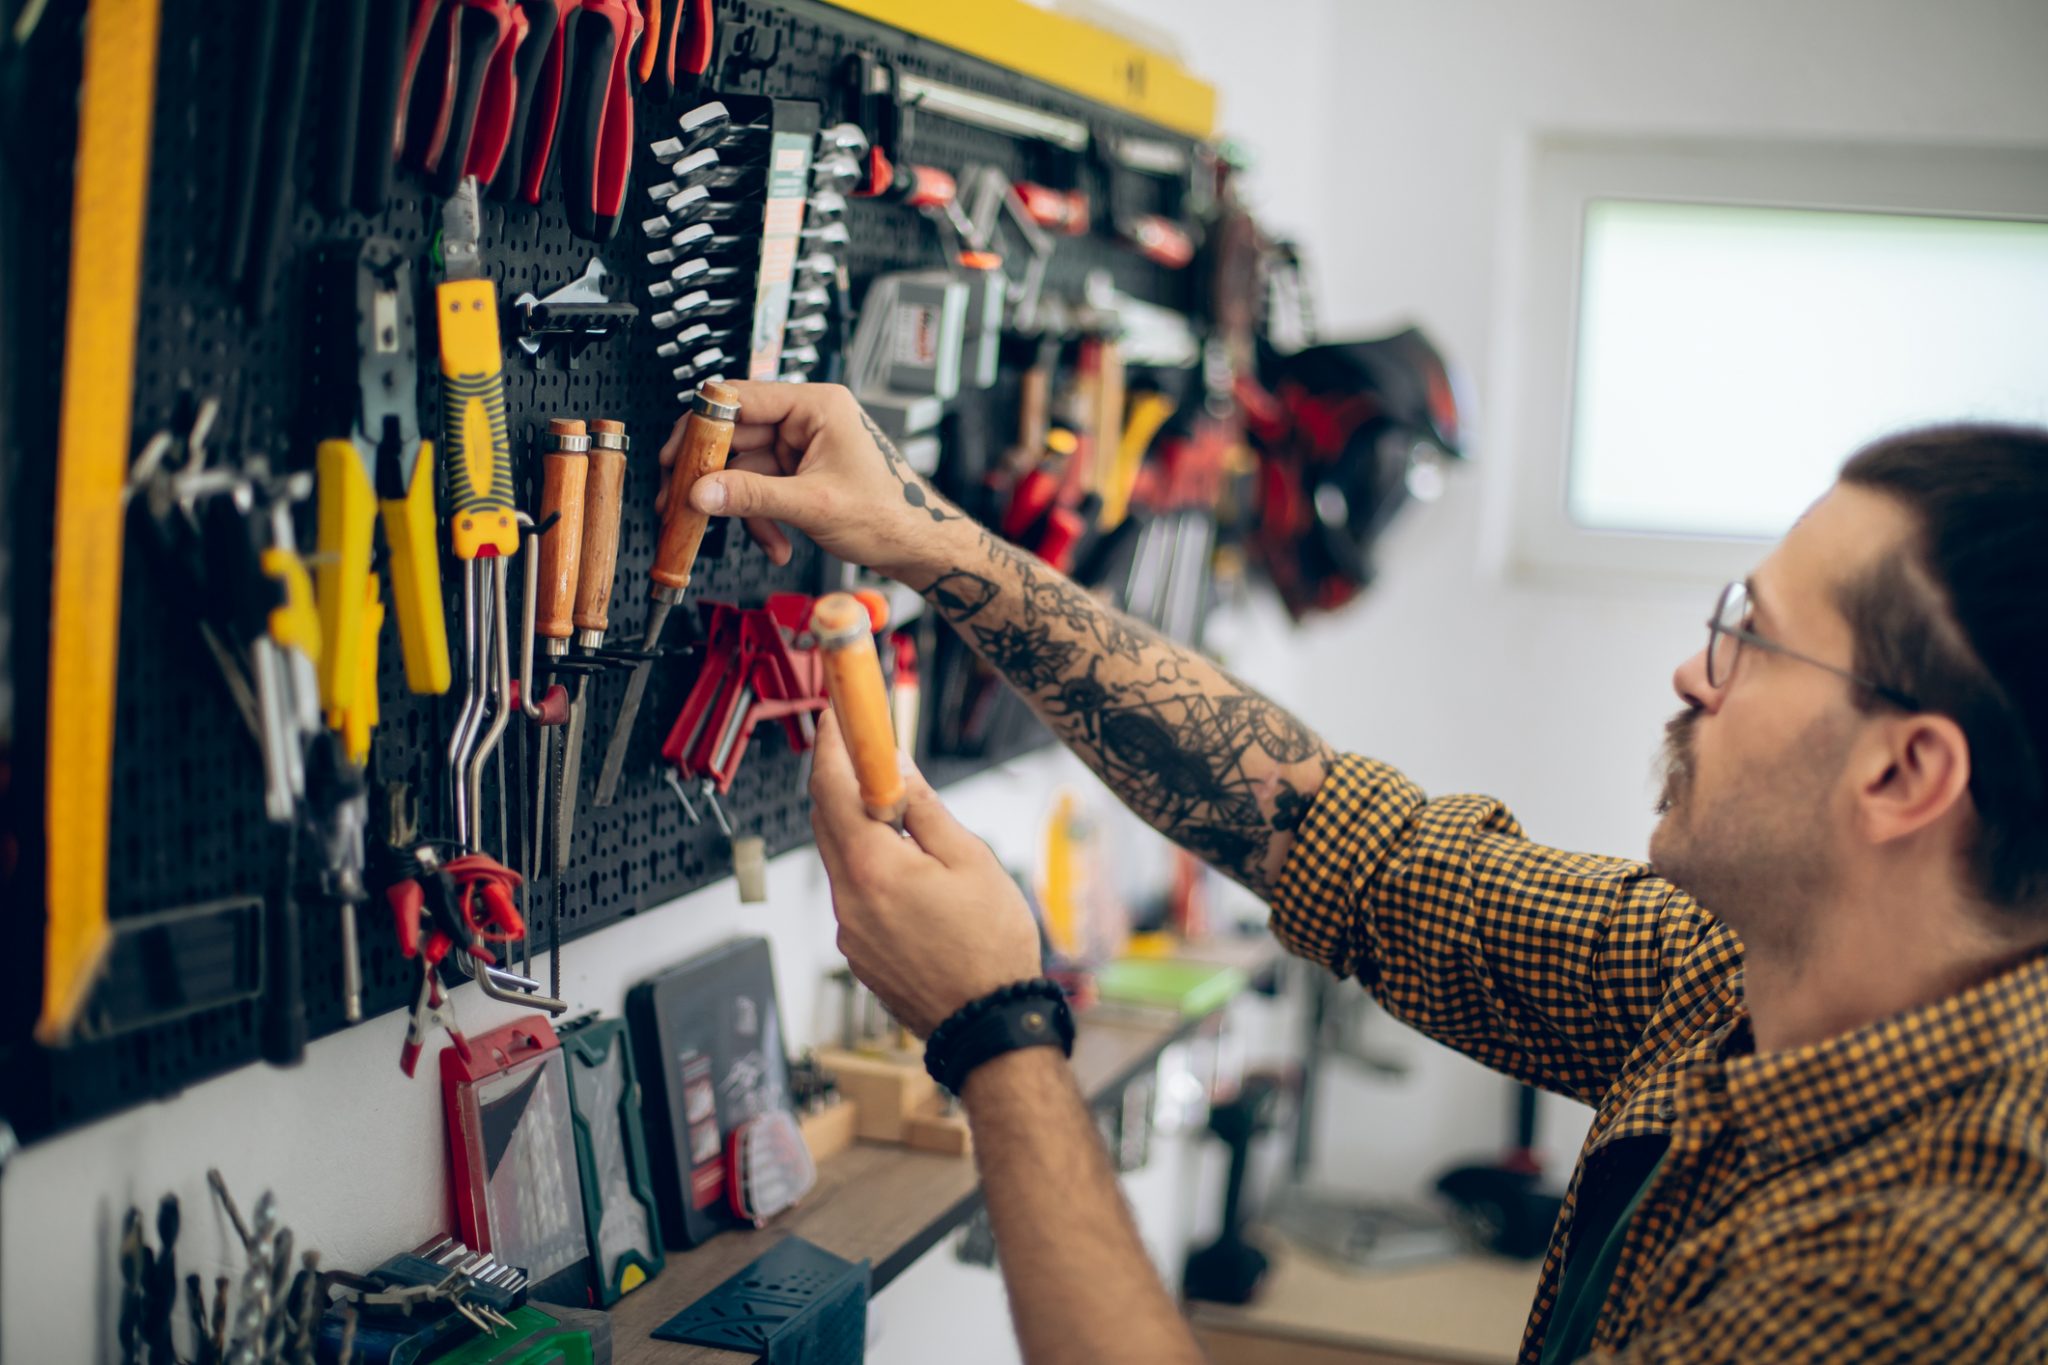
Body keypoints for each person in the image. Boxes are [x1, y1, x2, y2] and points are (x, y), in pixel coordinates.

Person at [664, 384, 2048, 1364]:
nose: (1695, 669)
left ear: (1904, 776)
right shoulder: (1734, 977)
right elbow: (1345, 839)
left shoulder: (1933, 1273)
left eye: (1753, 636)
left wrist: (997, 1033)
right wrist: (925, 534)